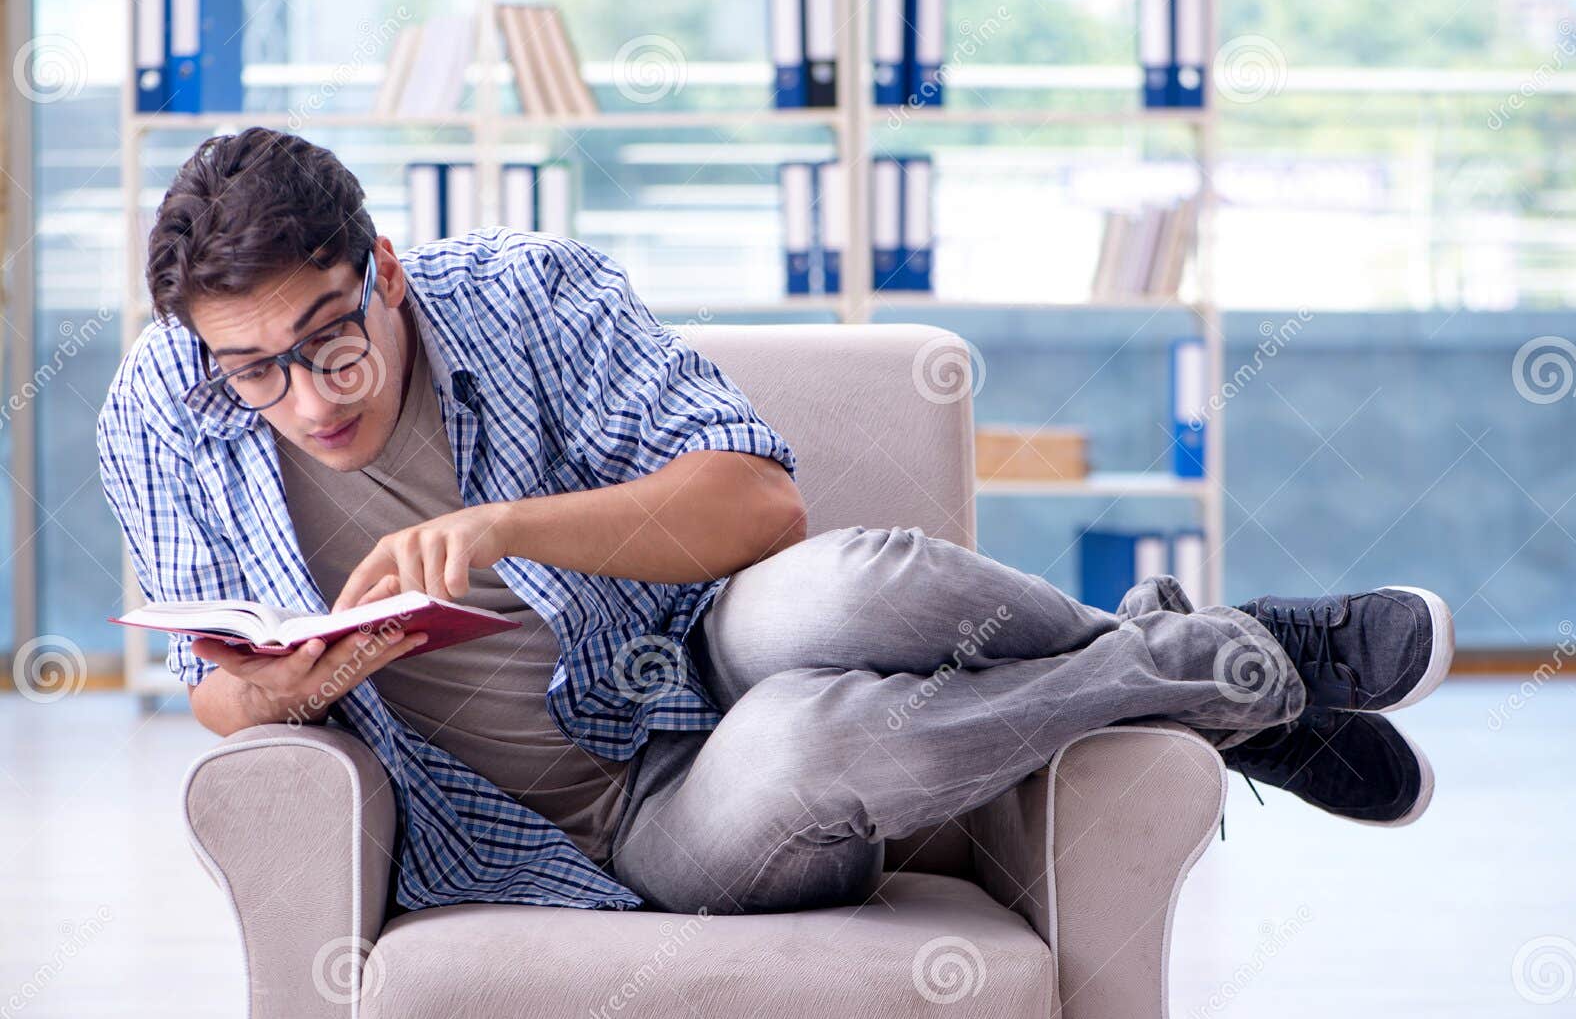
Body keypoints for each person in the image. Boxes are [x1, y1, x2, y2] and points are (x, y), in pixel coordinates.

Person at [97, 129, 1454, 916]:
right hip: (617, 825)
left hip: (697, 646)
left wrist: (511, 526)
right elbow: (213, 694)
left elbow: (761, 502)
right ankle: (1220, 672)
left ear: (383, 269)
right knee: (809, 744)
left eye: (328, 342)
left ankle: (1218, 679)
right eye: (251, 368)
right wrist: (280, 687)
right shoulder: (165, 404)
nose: (303, 397)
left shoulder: (528, 295)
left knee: (848, 585)